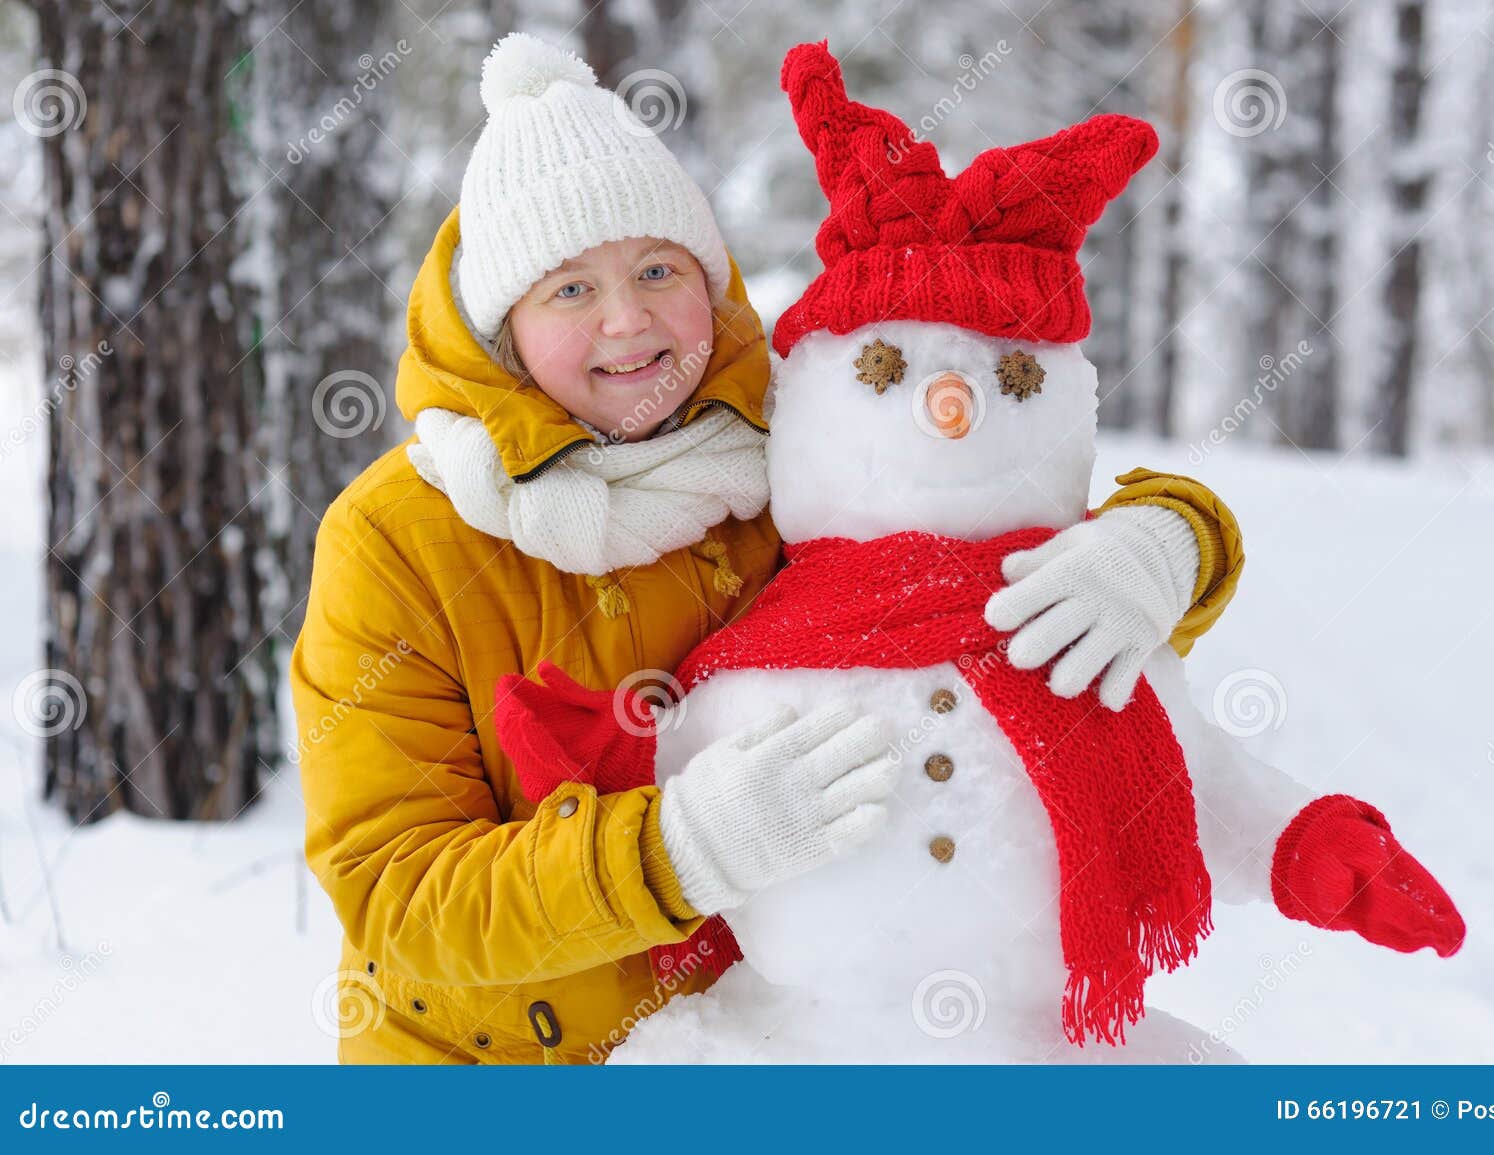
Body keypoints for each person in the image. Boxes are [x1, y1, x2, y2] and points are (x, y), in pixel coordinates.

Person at [290, 34, 1245, 1064]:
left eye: (659, 269)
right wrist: (676, 853)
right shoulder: (397, 539)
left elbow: (997, 553)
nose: (628, 320)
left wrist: (1170, 541)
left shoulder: (792, 452)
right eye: (567, 289)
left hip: (760, 1052)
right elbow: (397, 892)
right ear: (498, 330)